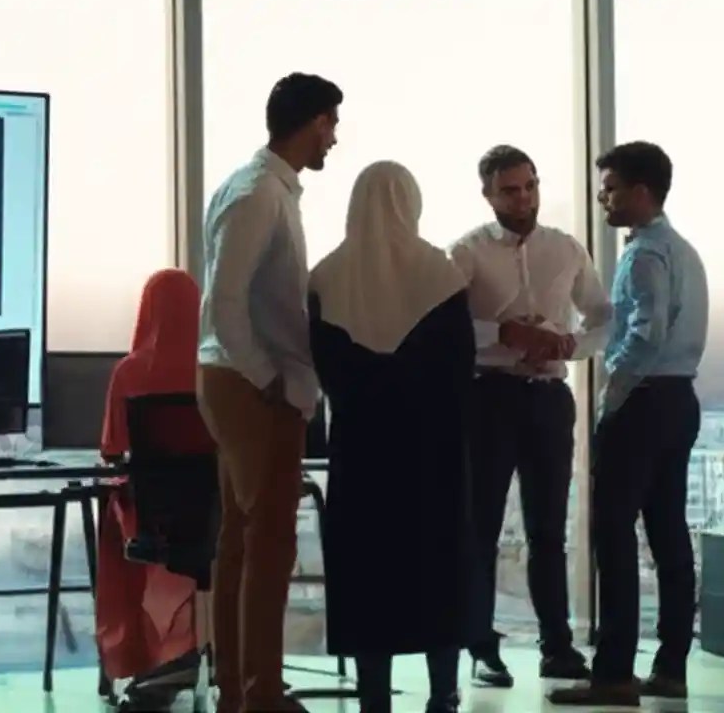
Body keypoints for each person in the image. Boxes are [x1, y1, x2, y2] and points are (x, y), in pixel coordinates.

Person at [196, 71, 341, 713]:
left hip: (242, 379)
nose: (334, 138)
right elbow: (224, 302)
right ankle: (261, 693)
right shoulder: (259, 194)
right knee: (270, 540)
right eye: (330, 123)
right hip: (249, 383)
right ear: (311, 123)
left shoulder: (262, 187)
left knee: (242, 539)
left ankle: (239, 688)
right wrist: (270, 381)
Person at [308, 161, 474, 713]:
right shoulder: (441, 274)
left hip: (361, 450)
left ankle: (373, 696)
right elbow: (457, 370)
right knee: (437, 563)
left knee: (367, 569)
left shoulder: (326, 278)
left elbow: (328, 371)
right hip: (432, 451)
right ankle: (443, 692)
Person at [550, 141, 707, 706]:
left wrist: (613, 396)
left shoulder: (643, 255)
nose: (602, 197)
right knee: (667, 533)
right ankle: (670, 666)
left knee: (613, 533)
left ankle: (613, 672)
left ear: (641, 192)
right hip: (679, 400)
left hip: (643, 402)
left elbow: (646, 332)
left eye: (611, 187)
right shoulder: (682, 249)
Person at [447, 145, 610, 686]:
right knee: (481, 528)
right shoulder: (466, 253)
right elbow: (442, 329)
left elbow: (604, 318)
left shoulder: (565, 249)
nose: (523, 199)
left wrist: (570, 345)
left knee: (547, 530)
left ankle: (557, 647)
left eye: (530, 186)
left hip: (547, 400)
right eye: (510, 190)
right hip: (487, 398)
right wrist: (505, 333)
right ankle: (480, 650)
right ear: (488, 194)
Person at [96, 268, 202, 685]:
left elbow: (111, 451)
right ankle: (200, 651)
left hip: (149, 524)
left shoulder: (129, 371)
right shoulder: (215, 370)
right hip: (214, 519)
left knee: (113, 527)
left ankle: (136, 659)